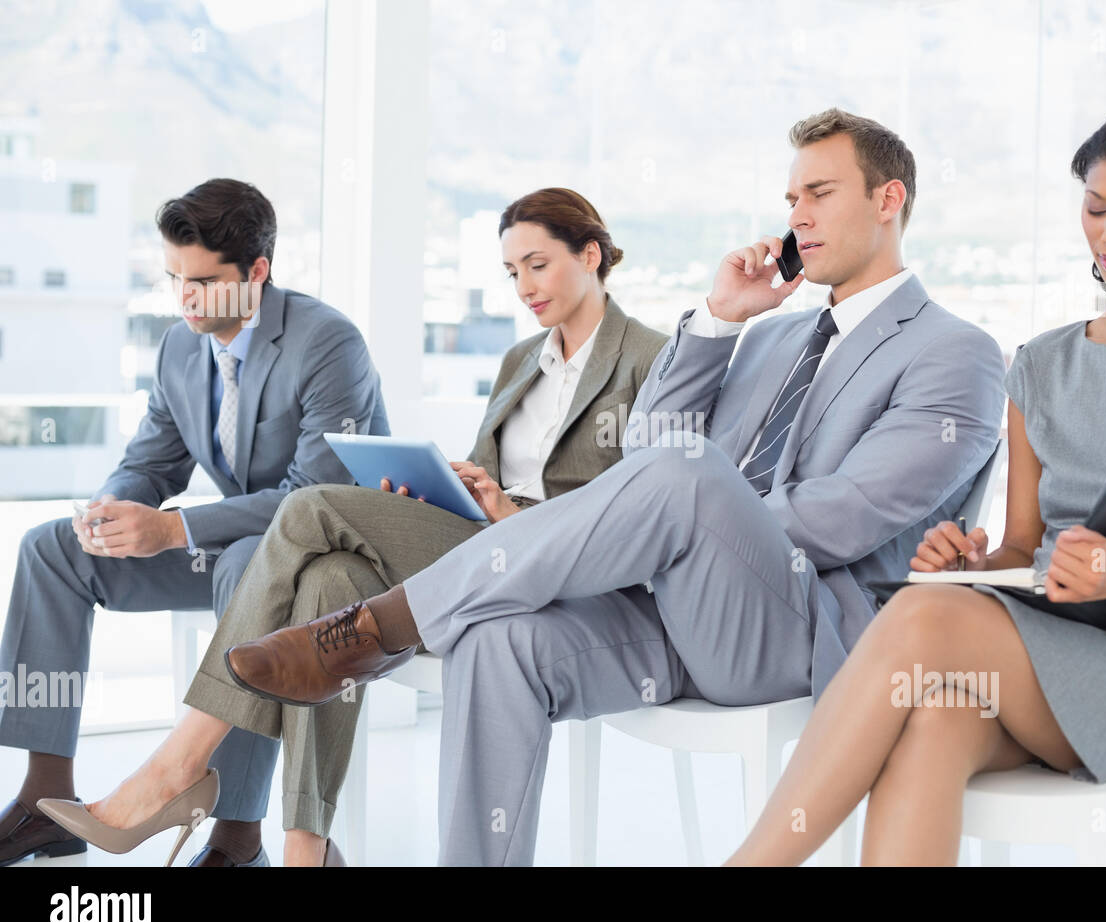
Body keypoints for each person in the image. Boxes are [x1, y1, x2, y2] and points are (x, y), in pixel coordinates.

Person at [50, 105, 1010, 867]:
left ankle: (380, 630)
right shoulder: (763, 335)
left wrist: (681, 520)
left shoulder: (957, 355)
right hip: (657, 601)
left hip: (787, 622)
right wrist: (717, 321)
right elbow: (652, 440)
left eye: (820, 192)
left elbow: (844, 520)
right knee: (500, 639)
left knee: (682, 479)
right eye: (789, 193)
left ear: (888, 200)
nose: (794, 213)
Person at [722, 100, 1106, 866]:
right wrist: (970, 563)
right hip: (1043, 644)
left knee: (925, 623)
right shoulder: (1039, 361)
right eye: (1096, 209)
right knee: (928, 722)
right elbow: (1024, 545)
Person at [36, 187, 668, 866]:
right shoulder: (521, 362)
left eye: (537, 265)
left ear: (592, 254)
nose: (523, 287)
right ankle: (308, 848)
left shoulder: (650, 357)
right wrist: (449, 492)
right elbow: (489, 480)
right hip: (485, 550)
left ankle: (174, 767)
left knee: (310, 506)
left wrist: (515, 515)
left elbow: (647, 511)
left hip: (561, 567)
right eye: (512, 272)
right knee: (333, 581)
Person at [0, 178, 389, 867]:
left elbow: (315, 497)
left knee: (245, 569)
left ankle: (236, 836)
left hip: (322, 556)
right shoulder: (180, 348)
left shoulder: (328, 344)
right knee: (49, 550)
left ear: (258, 273)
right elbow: (150, 462)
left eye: (204, 281)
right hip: (228, 541)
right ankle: (45, 794)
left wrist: (174, 531)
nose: (184, 297)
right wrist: (111, 509)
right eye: (175, 276)